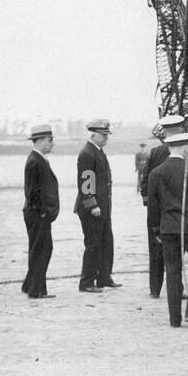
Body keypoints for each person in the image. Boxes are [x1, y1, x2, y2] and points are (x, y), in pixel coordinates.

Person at [146, 125, 188, 328]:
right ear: (185, 148)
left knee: (173, 272)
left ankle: (174, 320)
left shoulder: (155, 174)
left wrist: (156, 231)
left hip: (168, 229)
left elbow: (153, 208)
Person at [141, 114, 187, 298]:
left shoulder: (155, 153)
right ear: (181, 130)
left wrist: (150, 204)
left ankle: (155, 289)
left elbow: (145, 183)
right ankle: (176, 289)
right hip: (180, 211)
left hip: (158, 211)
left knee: (155, 250)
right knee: (177, 251)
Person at [74, 118, 119, 292]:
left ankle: (104, 278)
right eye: (103, 135)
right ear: (94, 135)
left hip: (103, 208)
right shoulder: (87, 153)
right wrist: (92, 205)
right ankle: (86, 282)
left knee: (106, 242)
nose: (106, 138)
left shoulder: (97, 151)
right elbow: (86, 183)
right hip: (92, 209)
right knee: (93, 245)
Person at [21, 124, 59, 299]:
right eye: (50, 140)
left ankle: (31, 285)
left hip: (38, 213)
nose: (52, 144)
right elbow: (32, 192)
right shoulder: (35, 161)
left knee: (43, 248)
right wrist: (43, 211)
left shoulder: (39, 159)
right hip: (37, 214)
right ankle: (36, 290)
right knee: (41, 250)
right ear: (42, 140)